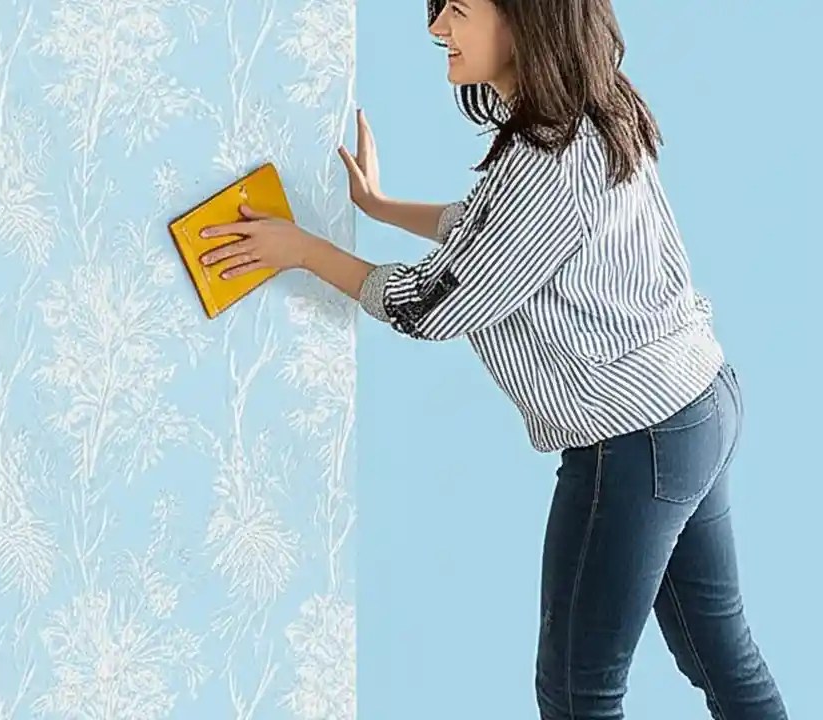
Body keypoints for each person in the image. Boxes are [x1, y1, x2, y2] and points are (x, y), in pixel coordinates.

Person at [196, 0, 790, 717]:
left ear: (526, 19)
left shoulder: (546, 162)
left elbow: (432, 305)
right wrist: (382, 208)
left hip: (638, 438)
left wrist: (301, 251)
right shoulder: (587, 111)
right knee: (721, 659)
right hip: (698, 403)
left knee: (578, 693)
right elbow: (490, 228)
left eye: (458, 10)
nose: (436, 28)